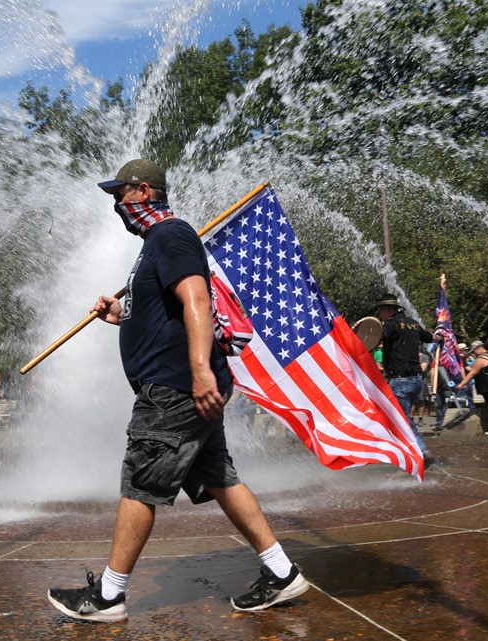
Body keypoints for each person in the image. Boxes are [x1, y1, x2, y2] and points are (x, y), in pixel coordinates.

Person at [47, 158, 309, 622]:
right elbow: (165, 316)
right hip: (181, 385)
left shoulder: (170, 235)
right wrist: (121, 316)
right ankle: (282, 572)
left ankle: (109, 596)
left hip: (174, 389)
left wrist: (200, 372)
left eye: (119, 195)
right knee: (219, 478)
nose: (116, 206)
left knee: (141, 484)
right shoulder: (155, 244)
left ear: (143, 191)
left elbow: (197, 300)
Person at [373, 293, 439, 464]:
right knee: (400, 418)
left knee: (402, 420)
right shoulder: (413, 323)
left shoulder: (389, 325)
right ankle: (407, 453)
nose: (378, 314)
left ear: (387, 309)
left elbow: (374, 337)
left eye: (379, 311)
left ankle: (423, 452)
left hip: (400, 380)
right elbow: (430, 337)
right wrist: (441, 338)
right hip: (417, 380)